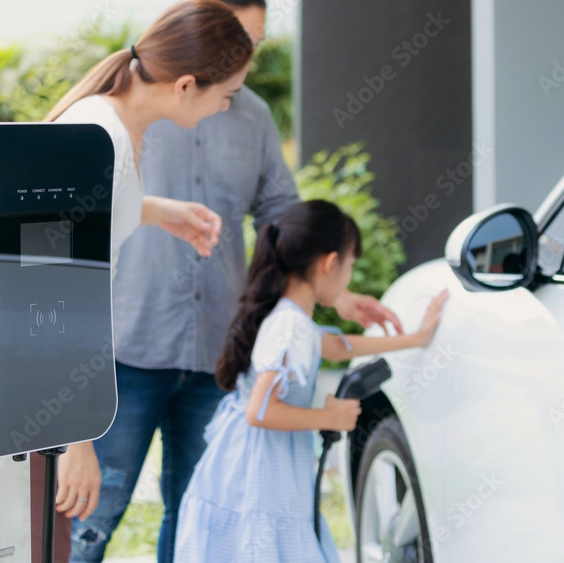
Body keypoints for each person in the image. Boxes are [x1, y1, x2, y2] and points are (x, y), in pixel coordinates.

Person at [69, 0, 401, 563]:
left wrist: (335, 292)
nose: (246, 59)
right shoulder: (117, 125)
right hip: (124, 345)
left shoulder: (242, 115)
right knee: (89, 515)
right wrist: (72, 435)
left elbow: (282, 214)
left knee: (201, 514)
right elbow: (66, 273)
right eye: (237, 42)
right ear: (196, 49)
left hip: (215, 349)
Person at [28, 0, 255, 563]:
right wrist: (77, 440)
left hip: (68, 382)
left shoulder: (116, 127)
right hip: (54, 391)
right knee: (69, 542)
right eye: (224, 96)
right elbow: (50, 293)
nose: (225, 109)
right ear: (185, 86)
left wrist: (158, 211)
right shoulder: (97, 136)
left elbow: (89, 218)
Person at [173, 200, 449, 562]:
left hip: (257, 465)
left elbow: (334, 346)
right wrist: (328, 417)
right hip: (260, 475)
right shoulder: (291, 326)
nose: (349, 275)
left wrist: (413, 339)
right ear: (330, 263)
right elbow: (260, 410)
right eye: (350, 265)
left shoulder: (292, 319)